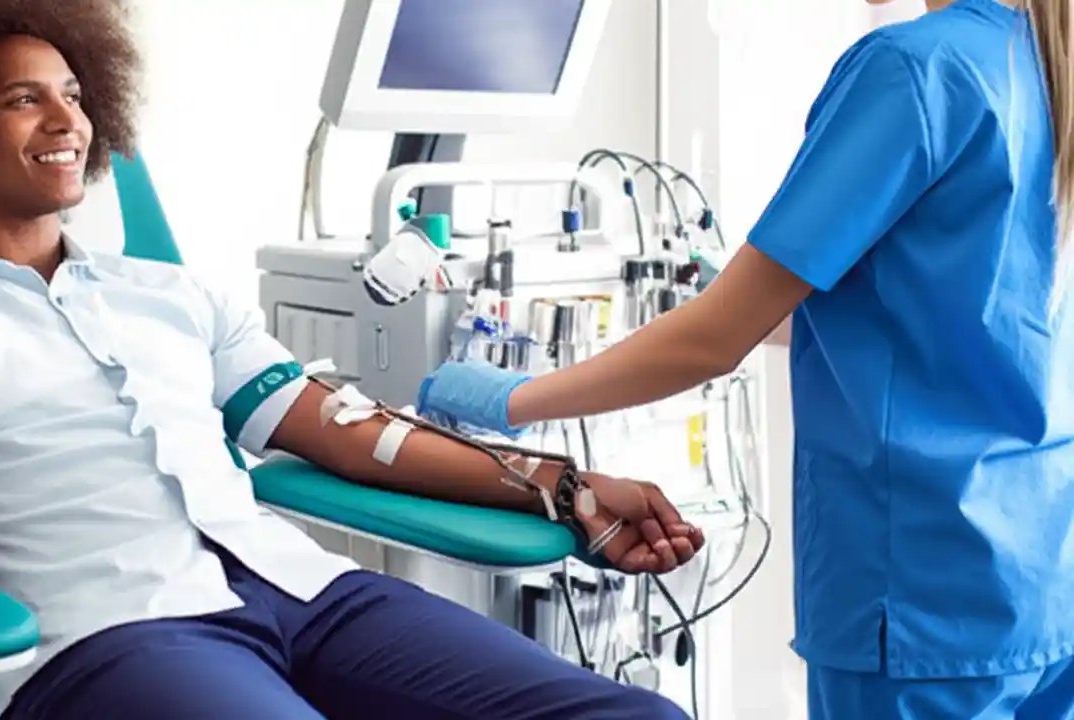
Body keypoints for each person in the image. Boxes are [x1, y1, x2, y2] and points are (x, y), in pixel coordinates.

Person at [0, 2, 707, 719]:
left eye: (73, 93)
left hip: (303, 591)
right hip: (112, 636)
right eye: (24, 99)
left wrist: (562, 486)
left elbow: (348, 431)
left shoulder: (167, 294)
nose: (68, 120)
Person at [418, 0, 1074, 717]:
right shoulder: (1044, 61)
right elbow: (956, 313)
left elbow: (712, 339)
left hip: (921, 593)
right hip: (1043, 576)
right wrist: (743, 299)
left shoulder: (914, 69)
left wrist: (510, 399)